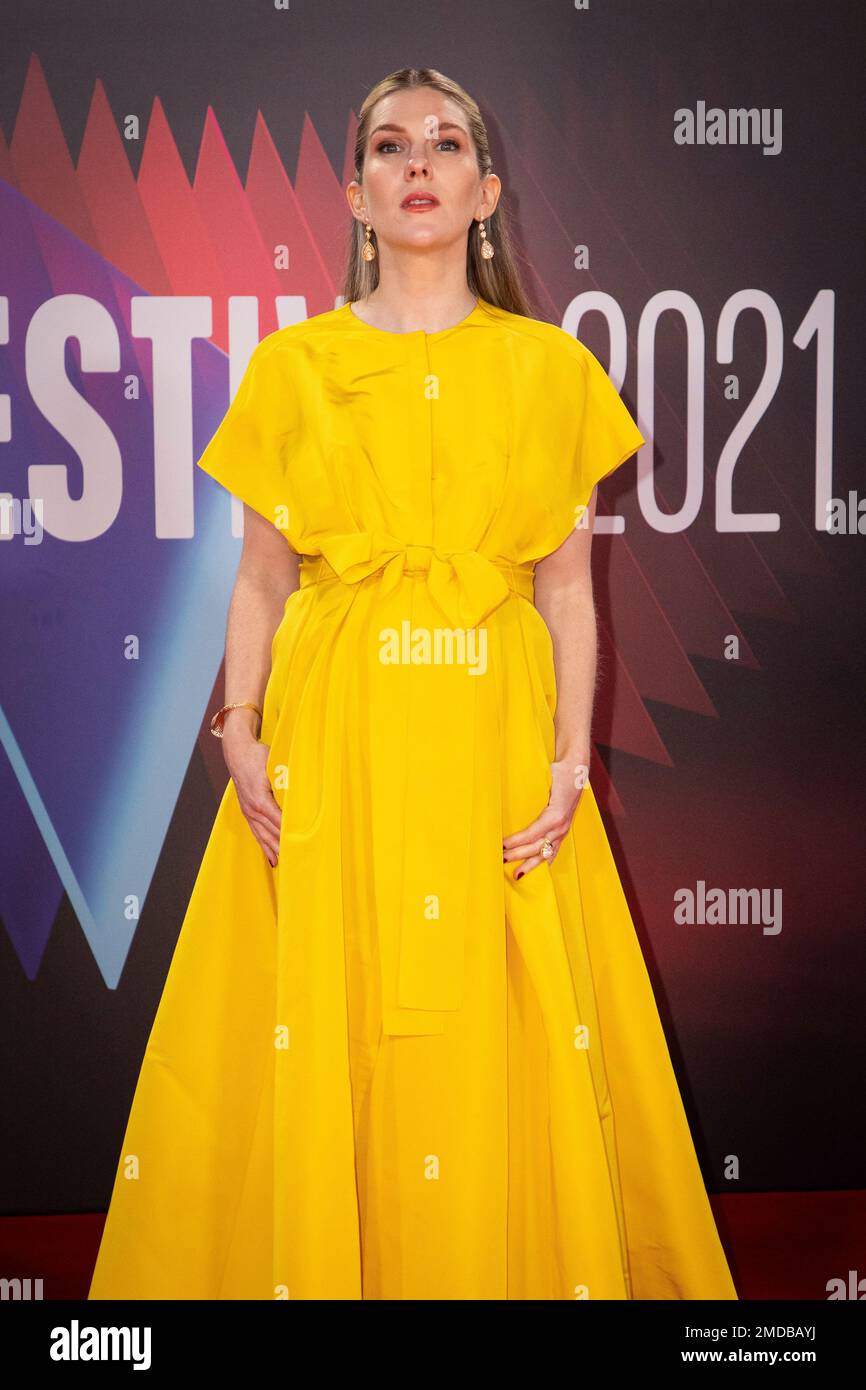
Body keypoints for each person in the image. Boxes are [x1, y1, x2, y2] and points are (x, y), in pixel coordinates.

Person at [88, 66, 738, 1301]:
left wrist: (561, 760)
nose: (418, 163)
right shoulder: (293, 368)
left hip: (491, 739)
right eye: (390, 146)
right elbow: (262, 582)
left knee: (507, 1025)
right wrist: (236, 727)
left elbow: (563, 595)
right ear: (355, 191)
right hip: (336, 742)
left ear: (486, 191)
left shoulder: (550, 370)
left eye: (446, 143)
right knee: (325, 1023)